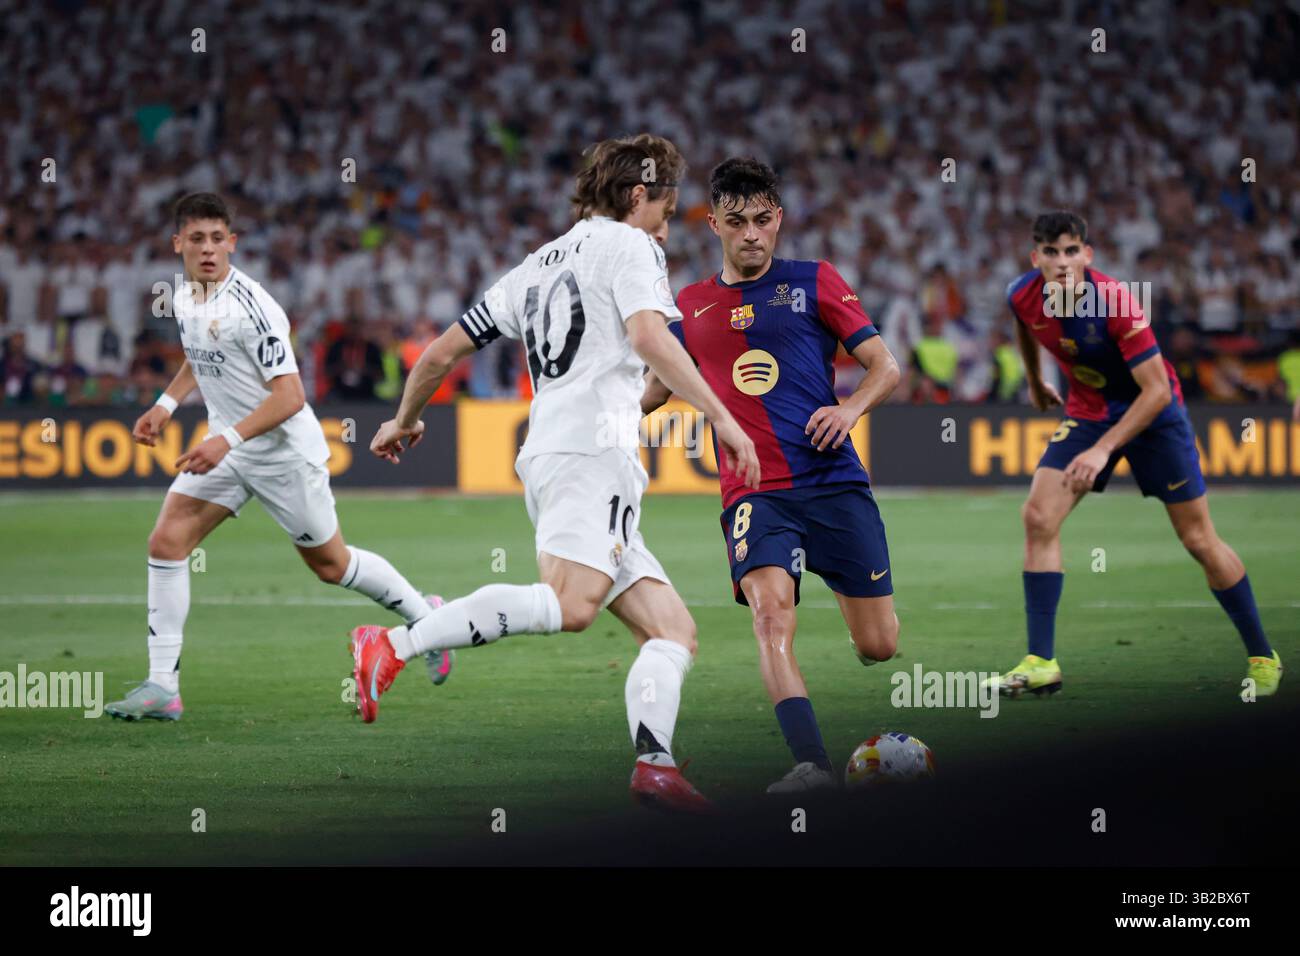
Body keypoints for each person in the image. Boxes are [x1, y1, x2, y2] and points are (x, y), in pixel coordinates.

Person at [352, 135, 760, 812]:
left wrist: (404, 419)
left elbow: (439, 353)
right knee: (572, 607)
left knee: (672, 631)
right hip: (588, 456)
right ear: (638, 197)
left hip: (563, 453)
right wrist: (719, 415)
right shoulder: (633, 248)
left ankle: (654, 764)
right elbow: (649, 338)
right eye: (666, 205)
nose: (668, 220)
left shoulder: (533, 266)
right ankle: (395, 640)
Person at [106, 193, 448, 721]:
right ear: (178, 244)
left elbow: (290, 396)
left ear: (232, 244)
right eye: (196, 238)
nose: (208, 250)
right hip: (232, 445)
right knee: (168, 541)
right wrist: (166, 404)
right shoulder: (183, 293)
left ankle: (425, 619)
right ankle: (162, 687)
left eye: (218, 239)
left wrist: (225, 441)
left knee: (332, 566)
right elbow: (200, 356)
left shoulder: (254, 307)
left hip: (283, 454)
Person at [641, 157, 902, 793]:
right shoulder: (690, 306)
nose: (751, 233)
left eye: (762, 220)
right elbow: (651, 393)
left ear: (778, 220)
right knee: (770, 616)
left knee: (879, 647)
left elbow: (885, 367)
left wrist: (849, 409)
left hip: (833, 482)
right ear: (714, 225)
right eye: (737, 222)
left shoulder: (815, 281)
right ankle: (812, 764)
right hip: (754, 492)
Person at [988, 210, 1281, 700]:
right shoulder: (1022, 293)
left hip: (1154, 417)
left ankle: (1263, 656)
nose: (1061, 262)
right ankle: (1041, 662)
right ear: (1035, 256)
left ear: (1088, 254)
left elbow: (1158, 391)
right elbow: (1025, 325)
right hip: (1090, 412)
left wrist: (1105, 449)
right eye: (1051, 253)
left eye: (1071, 251)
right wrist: (1037, 378)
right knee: (1038, 516)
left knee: (1198, 539)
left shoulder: (1117, 304)